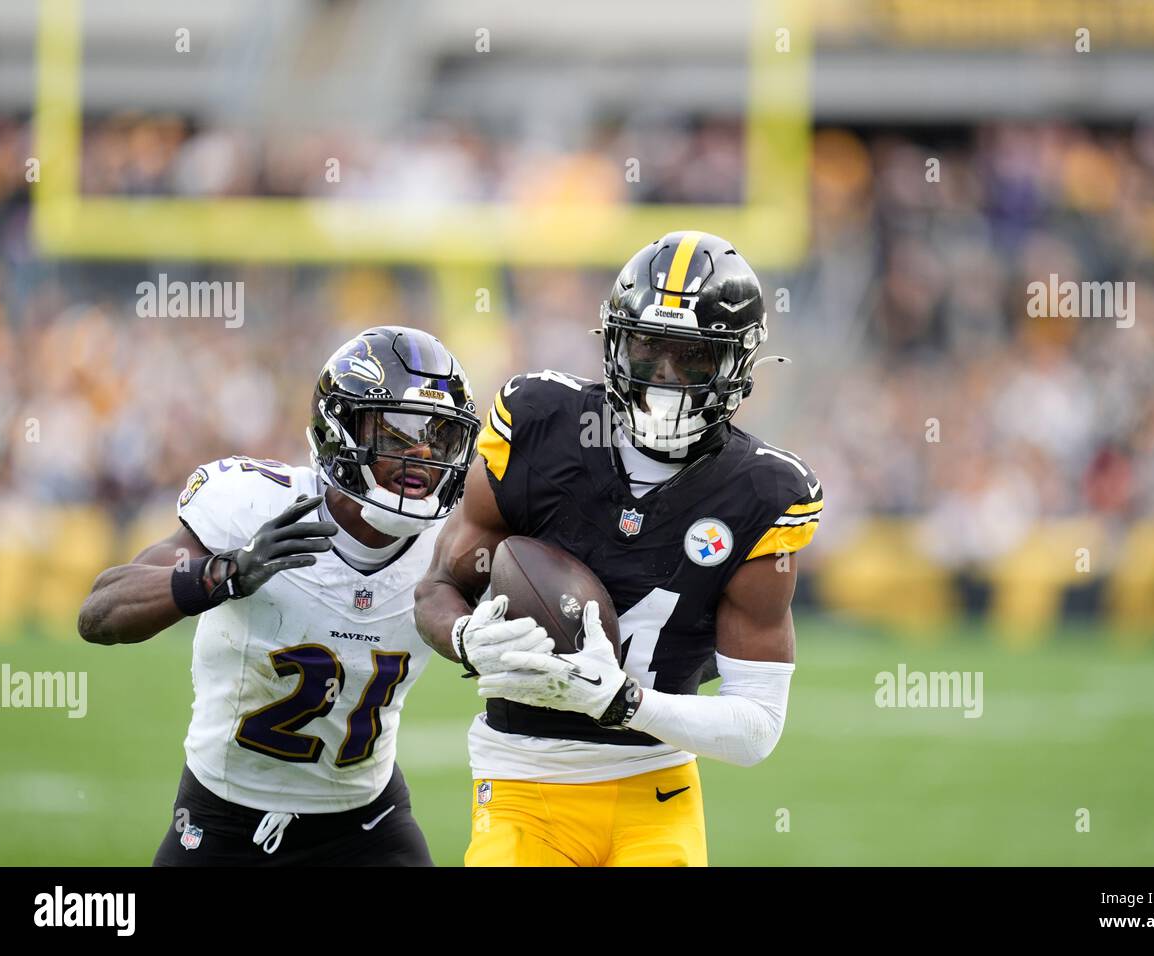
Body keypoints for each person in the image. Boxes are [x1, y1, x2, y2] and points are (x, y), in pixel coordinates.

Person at [414, 231, 823, 866]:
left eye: (693, 359)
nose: (664, 378)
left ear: (738, 363)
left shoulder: (762, 493)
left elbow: (757, 728)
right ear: (613, 343)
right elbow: (438, 589)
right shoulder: (539, 425)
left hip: (654, 786)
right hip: (523, 777)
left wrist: (627, 702)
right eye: (648, 348)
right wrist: (466, 637)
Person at [78, 326, 486, 866]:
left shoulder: (452, 545)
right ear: (339, 430)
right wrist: (221, 574)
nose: (423, 455)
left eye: (442, 437)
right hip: (223, 817)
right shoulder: (251, 505)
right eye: (396, 434)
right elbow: (100, 613)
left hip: (367, 823)